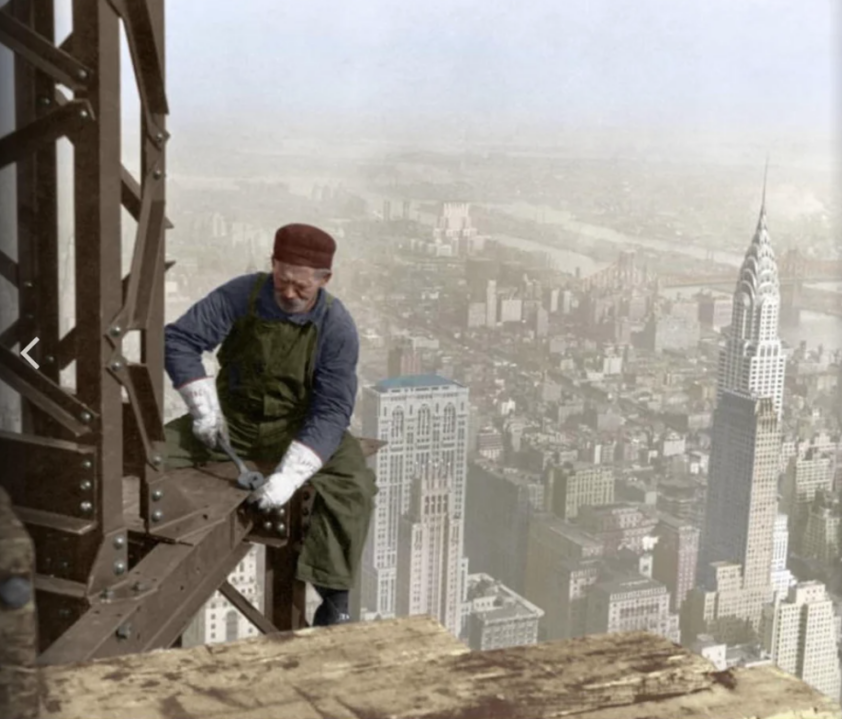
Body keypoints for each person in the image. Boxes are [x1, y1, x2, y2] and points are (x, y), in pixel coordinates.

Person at [163, 223, 376, 626]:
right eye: (282, 280)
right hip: (233, 422)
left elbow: (331, 410)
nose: (289, 293)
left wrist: (289, 476)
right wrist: (204, 408)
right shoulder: (241, 294)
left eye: (301, 287)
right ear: (272, 265)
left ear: (324, 280)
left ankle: (335, 598)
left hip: (297, 429)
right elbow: (180, 340)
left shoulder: (336, 325)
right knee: (148, 450)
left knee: (353, 485)